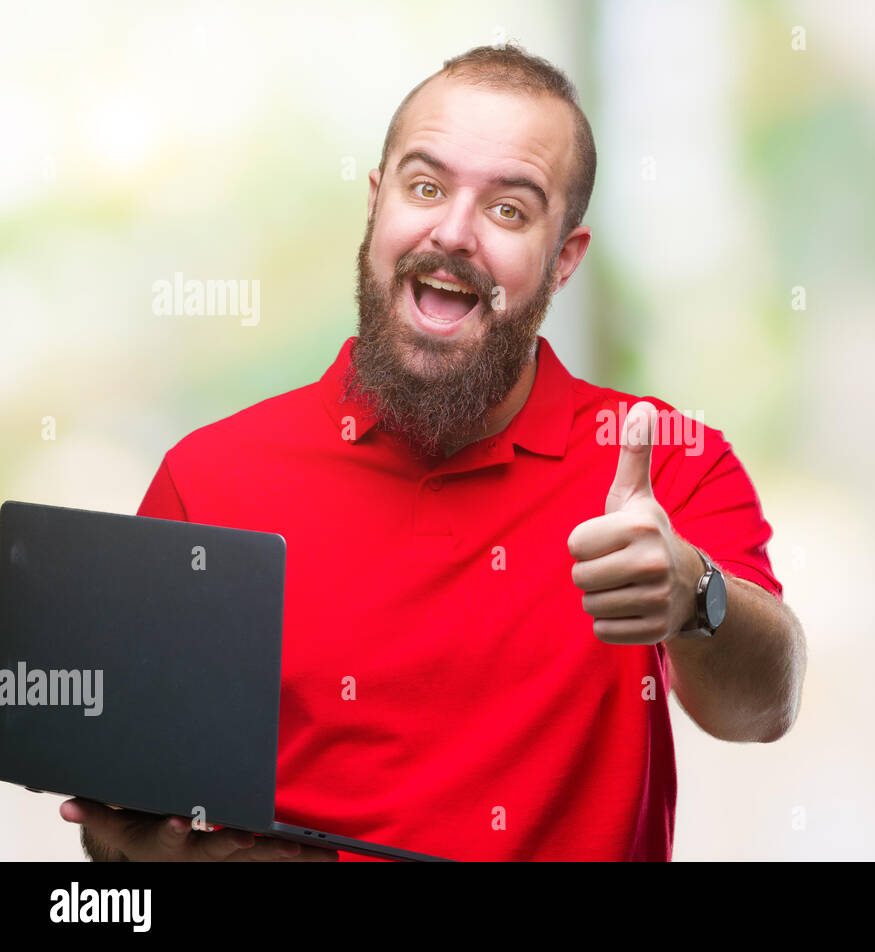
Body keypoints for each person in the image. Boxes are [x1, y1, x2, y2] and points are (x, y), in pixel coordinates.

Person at [61, 43, 806, 862]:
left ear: (565, 258)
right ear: (377, 205)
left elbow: (762, 709)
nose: (452, 232)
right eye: (425, 187)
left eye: (510, 210)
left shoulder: (665, 457)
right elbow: (124, 840)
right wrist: (148, 848)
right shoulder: (207, 477)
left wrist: (692, 594)